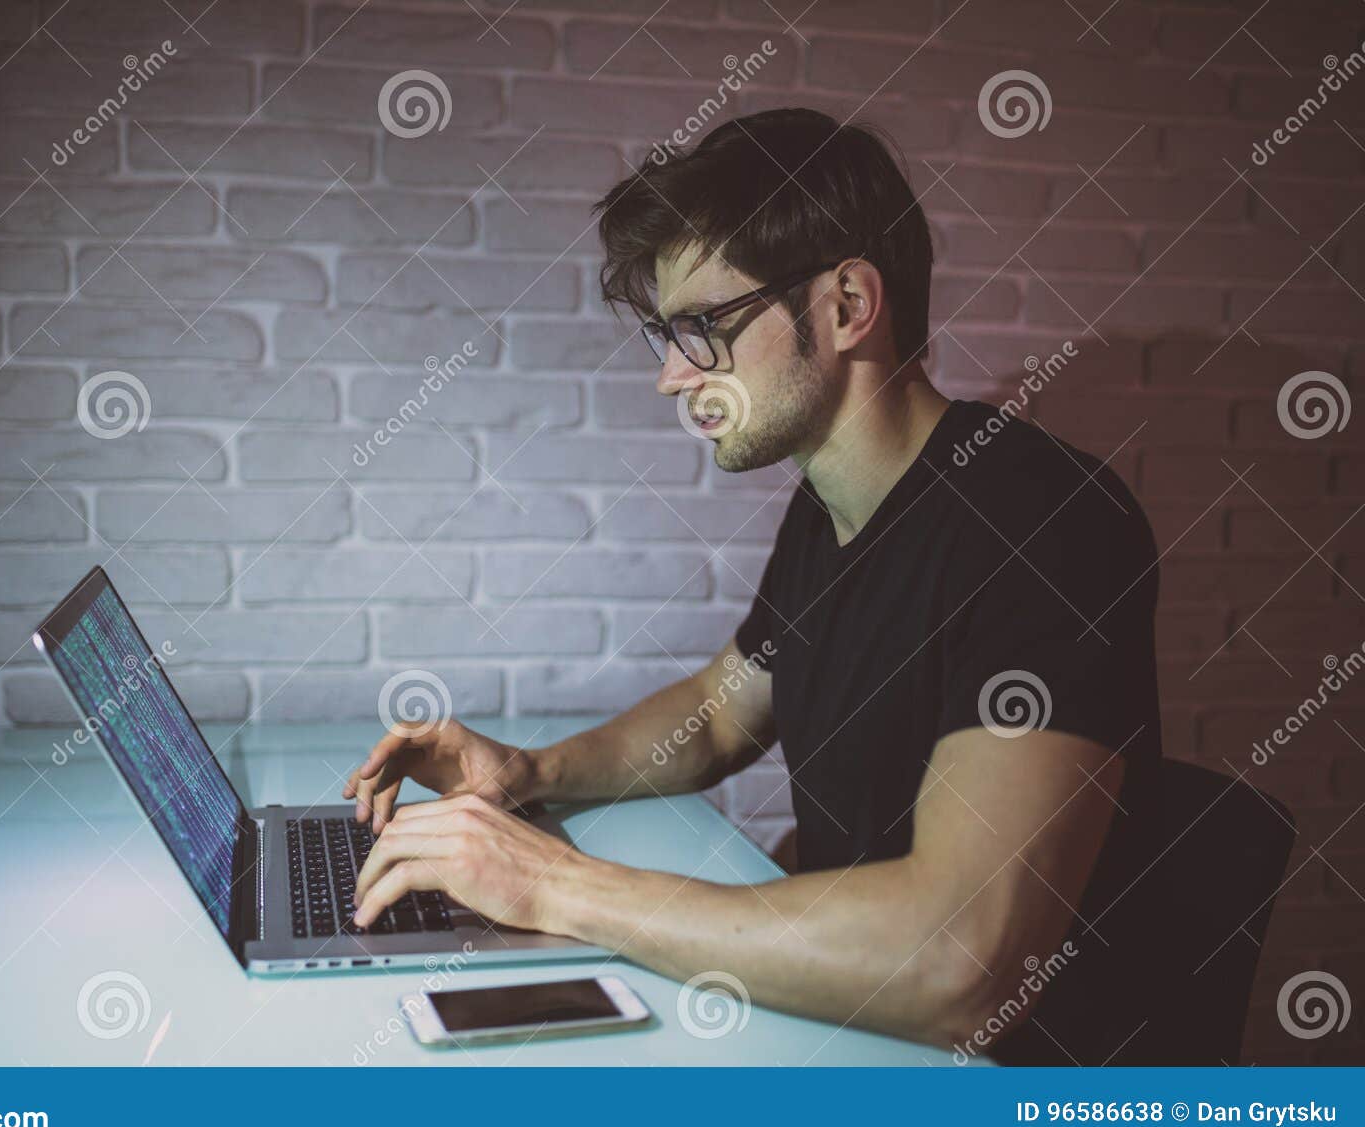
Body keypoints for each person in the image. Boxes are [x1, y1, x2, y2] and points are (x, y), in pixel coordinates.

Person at [343, 108, 1161, 1059]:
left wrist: (552, 884)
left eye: (702, 327)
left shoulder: (1047, 519)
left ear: (848, 305)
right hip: (852, 1031)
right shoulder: (827, 511)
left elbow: (959, 963)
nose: (670, 376)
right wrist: (529, 775)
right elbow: (723, 712)